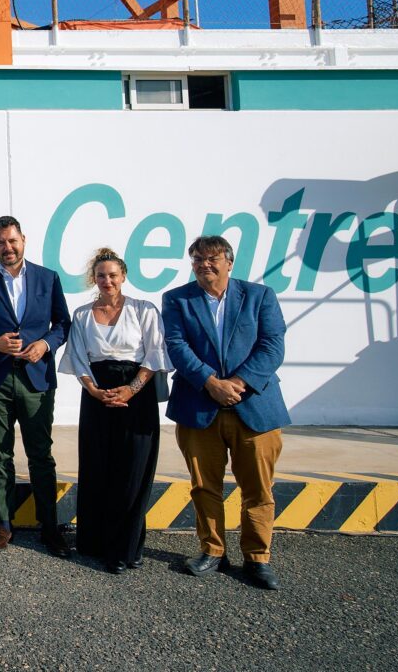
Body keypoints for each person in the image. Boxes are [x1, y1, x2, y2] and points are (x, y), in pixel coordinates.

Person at [163, 234, 289, 591]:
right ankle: (212, 550)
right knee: (204, 486)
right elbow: (176, 345)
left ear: (229, 263)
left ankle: (257, 558)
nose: (205, 264)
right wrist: (210, 383)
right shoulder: (177, 299)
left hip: (255, 406)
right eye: (198, 259)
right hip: (199, 406)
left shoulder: (259, 296)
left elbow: (272, 344)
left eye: (213, 258)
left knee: (258, 489)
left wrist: (238, 382)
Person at [0, 215, 72, 557]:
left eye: (12, 241)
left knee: (41, 454)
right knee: (0, 454)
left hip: (36, 377)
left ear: (23, 239)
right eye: (0, 242)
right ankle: (3, 524)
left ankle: (49, 527)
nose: (7, 248)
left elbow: (62, 323)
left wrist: (45, 345)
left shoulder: (47, 278)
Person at [66, 248, 168, 573]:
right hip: (97, 395)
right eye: (100, 275)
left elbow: (155, 354)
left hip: (136, 393)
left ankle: (125, 548)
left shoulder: (143, 310)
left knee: (132, 472)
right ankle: (94, 543)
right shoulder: (82, 314)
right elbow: (78, 356)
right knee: (98, 468)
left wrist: (131, 389)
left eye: (112, 275)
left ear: (123, 276)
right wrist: (94, 389)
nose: (107, 281)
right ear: (93, 279)